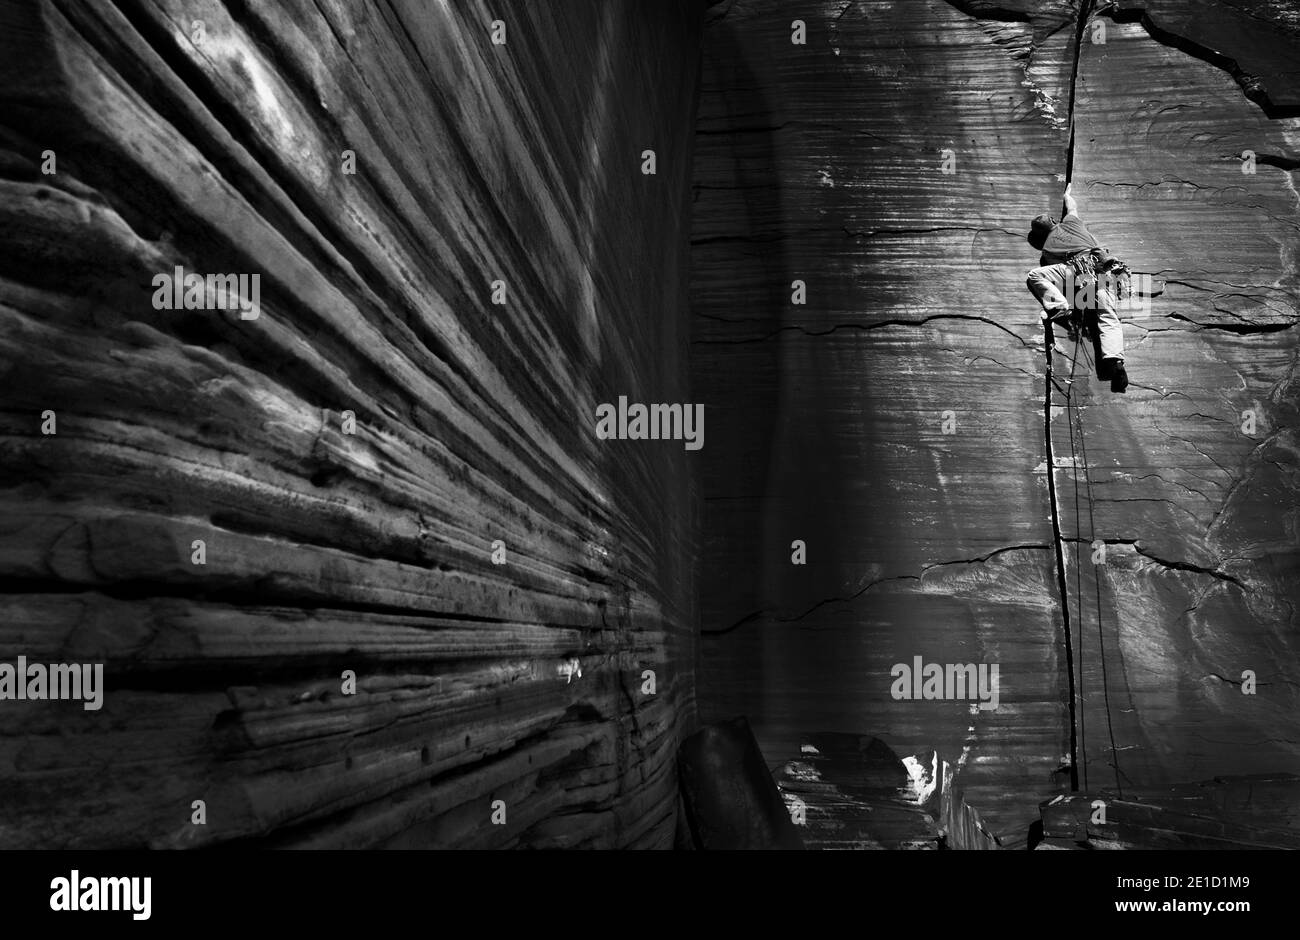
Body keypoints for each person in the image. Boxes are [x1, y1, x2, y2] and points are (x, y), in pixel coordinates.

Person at [1026, 184, 1129, 393]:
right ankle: (1116, 363)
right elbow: (1071, 207)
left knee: (1034, 276)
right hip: (1101, 272)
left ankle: (1060, 307)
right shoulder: (1071, 222)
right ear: (1054, 221)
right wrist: (1067, 194)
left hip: (1076, 276)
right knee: (1108, 317)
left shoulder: (1046, 251)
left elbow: (1057, 280)